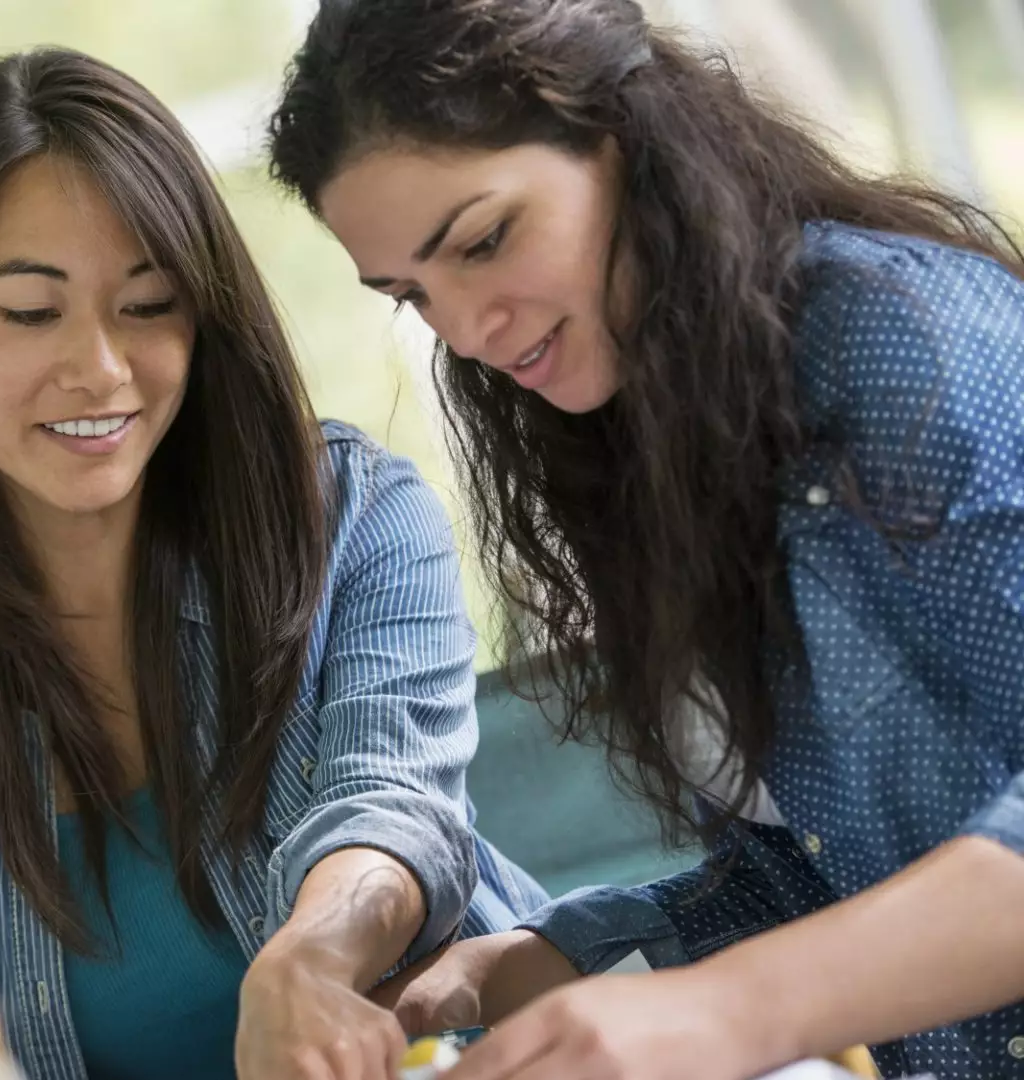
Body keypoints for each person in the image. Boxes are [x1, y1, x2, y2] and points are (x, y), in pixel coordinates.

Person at [266, 1, 1024, 1078]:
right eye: (412, 296)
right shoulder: (648, 435)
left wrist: (729, 1011)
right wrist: (531, 962)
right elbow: (843, 864)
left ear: (619, 135)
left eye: (484, 241)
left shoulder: (898, 341)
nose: (467, 331)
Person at [0, 46, 548, 1080]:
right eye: (30, 312)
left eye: (147, 306)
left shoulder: (353, 517)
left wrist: (311, 960)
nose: (99, 367)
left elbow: (392, 803)